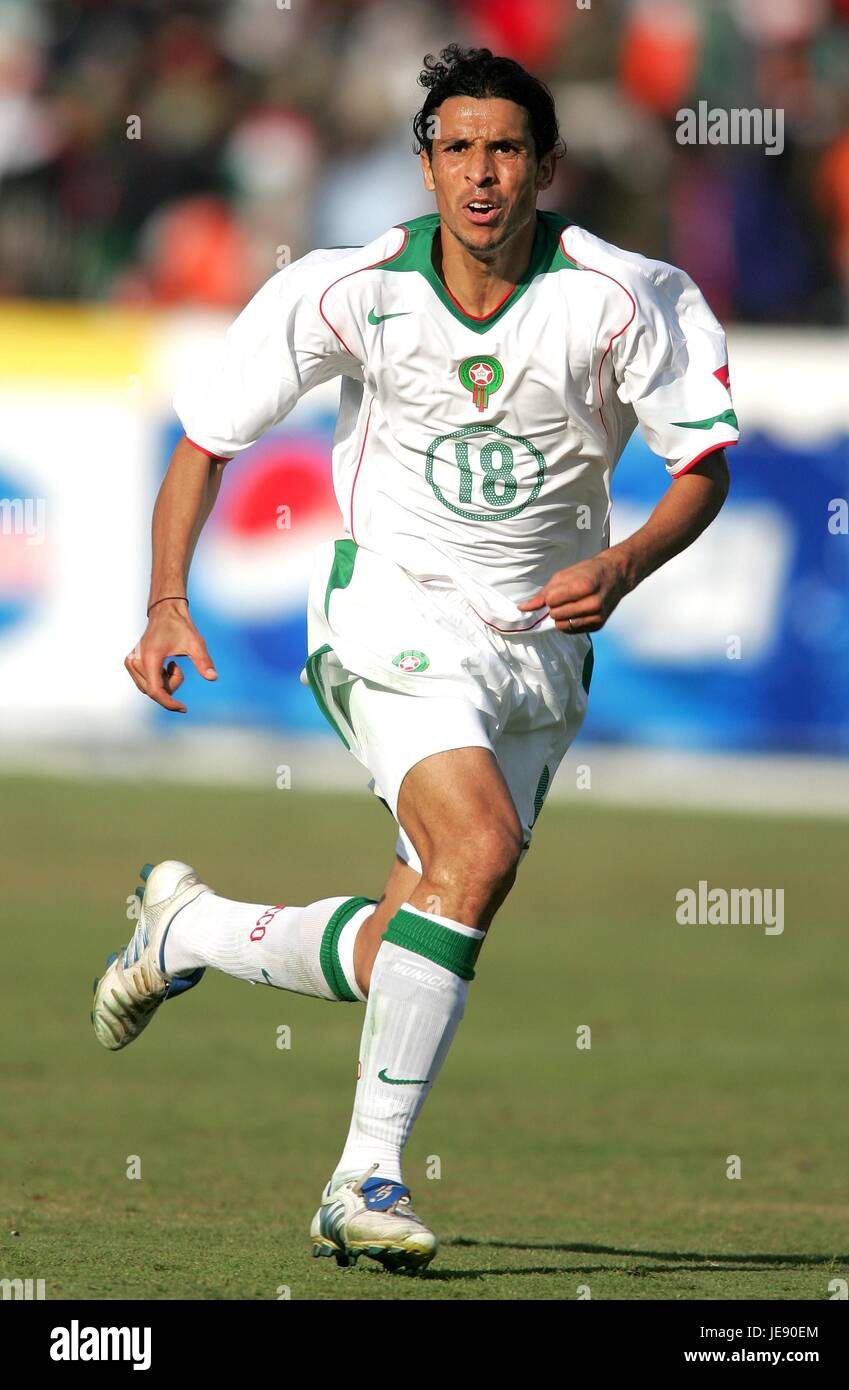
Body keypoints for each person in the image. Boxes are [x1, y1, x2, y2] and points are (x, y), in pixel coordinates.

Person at [92, 44, 737, 1274]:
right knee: (477, 852)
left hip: (542, 648)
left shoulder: (626, 294)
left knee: (409, 934)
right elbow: (204, 438)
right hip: (386, 613)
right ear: (425, 164)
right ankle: (362, 1176)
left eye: (505, 150)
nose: (480, 175)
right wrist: (168, 599)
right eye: (456, 149)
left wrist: (625, 564)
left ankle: (190, 930)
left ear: (546, 167)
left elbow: (698, 469)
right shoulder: (348, 287)